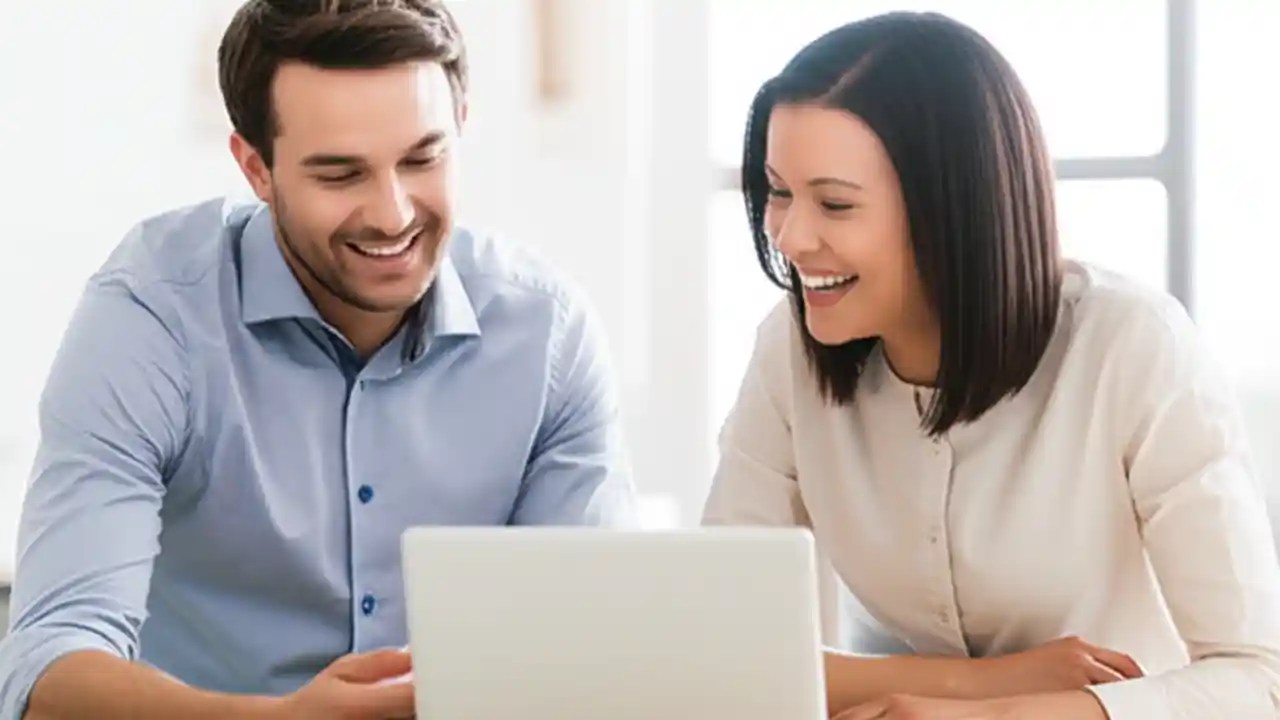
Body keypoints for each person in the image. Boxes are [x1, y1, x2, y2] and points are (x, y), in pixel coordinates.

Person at [0, 1, 635, 718]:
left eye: (423, 159)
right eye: (341, 175)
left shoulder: (546, 334)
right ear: (255, 168)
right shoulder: (154, 317)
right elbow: (49, 672)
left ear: (461, 123)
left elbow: (590, 649)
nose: (392, 214)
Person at [703, 11, 1280, 720]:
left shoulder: (1133, 346)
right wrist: (990, 683)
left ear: (951, 207)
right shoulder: (788, 354)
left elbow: (1258, 679)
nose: (790, 236)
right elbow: (723, 648)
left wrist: (998, 715)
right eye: (778, 192)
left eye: (835, 204)